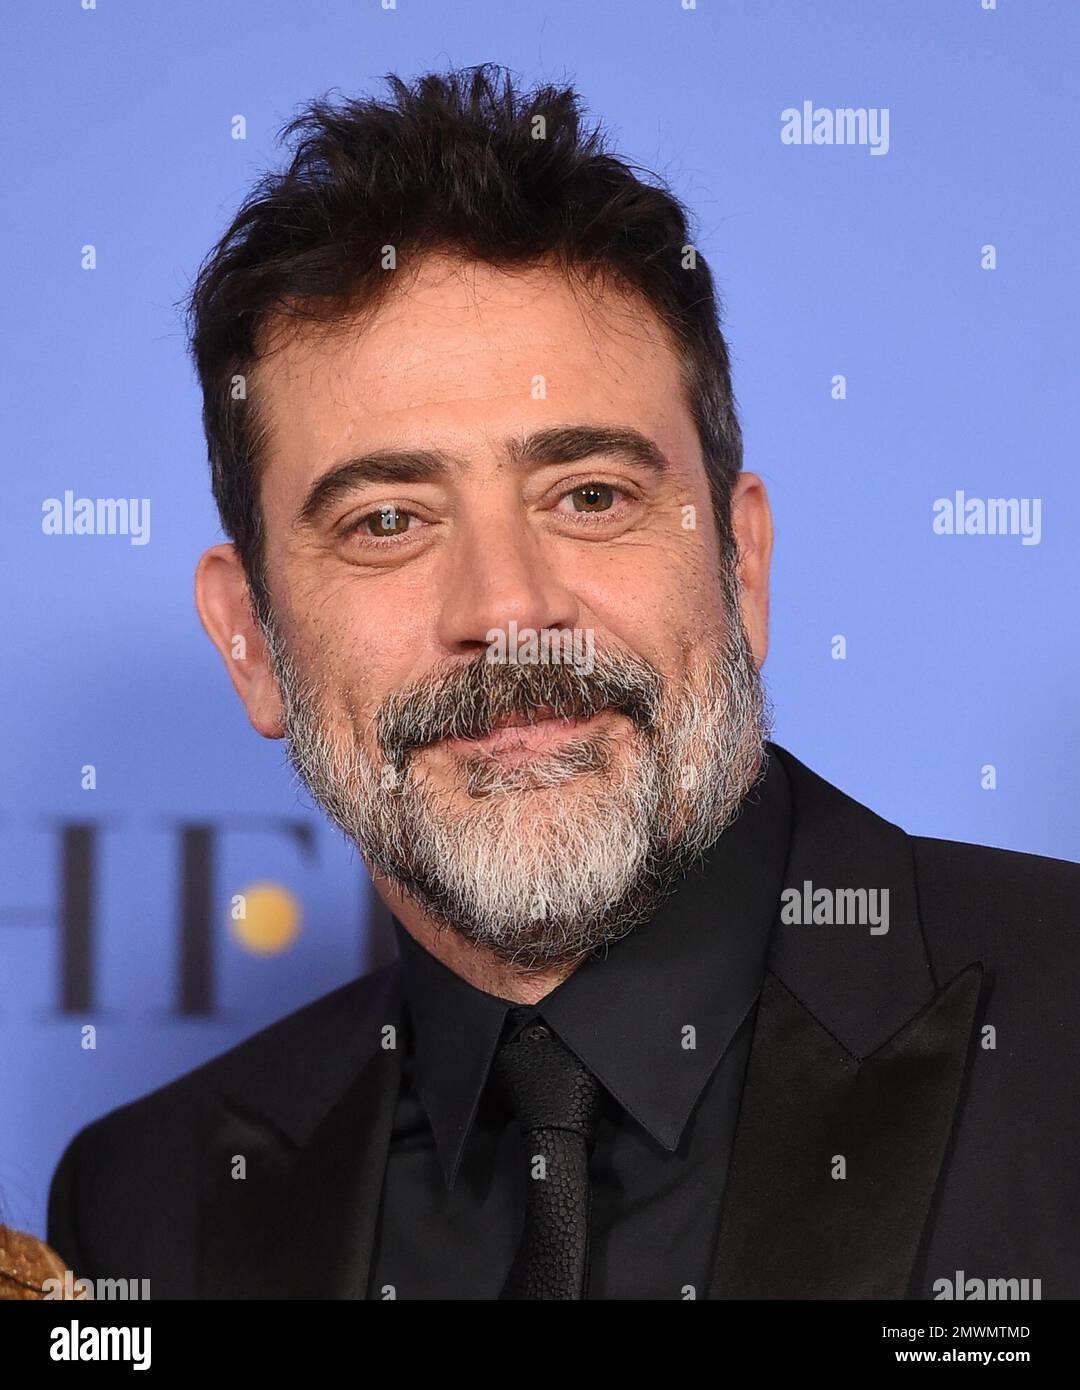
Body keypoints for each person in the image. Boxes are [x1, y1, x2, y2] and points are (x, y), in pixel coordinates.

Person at [47, 65, 1079, 1300]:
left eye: (589, 495)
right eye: (388, 520)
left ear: (741, 563)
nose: (508, 608)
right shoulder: (147, 1208)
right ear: (251, 640)